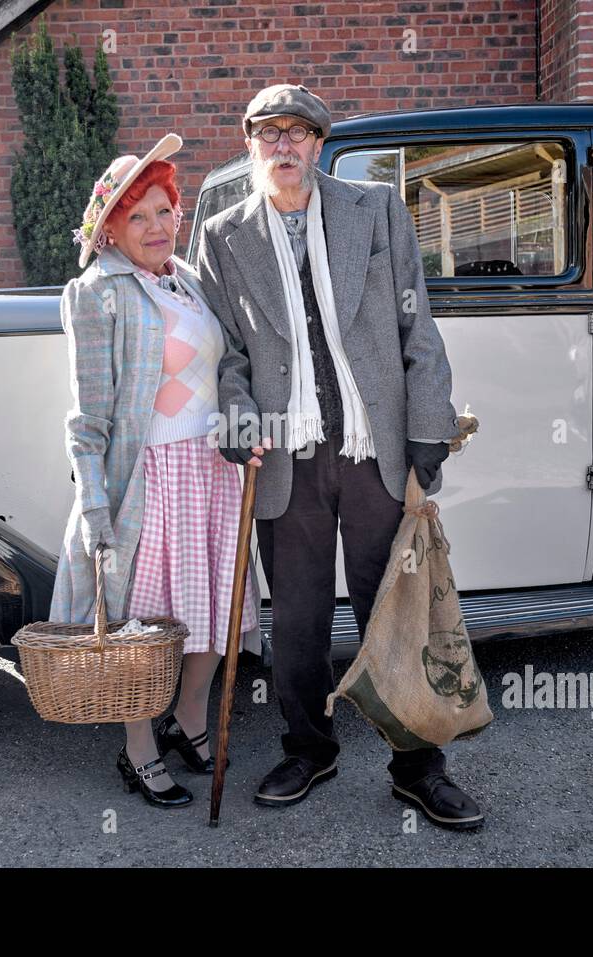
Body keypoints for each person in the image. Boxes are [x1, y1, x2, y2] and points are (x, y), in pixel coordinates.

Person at [194, 84, 484, 829]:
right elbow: (222, 349)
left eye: (299, 132)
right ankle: (308, 747)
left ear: (320, 144)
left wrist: (429, 427)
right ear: (250, 142)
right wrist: (234, 412)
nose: (284, 146)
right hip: (287, 454)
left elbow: (418, 324)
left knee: (397, 612)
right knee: (296, 618)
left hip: (374, 449)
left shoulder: (375, 209)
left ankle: (419, 766)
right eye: (269, 133)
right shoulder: (224, 234)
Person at [49, 133, 259, 809]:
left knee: (216, 618)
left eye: (164, 210)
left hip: (213, 470)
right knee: (142, 630)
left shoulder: (190, 280)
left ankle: (190, 720)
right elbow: (87, 416)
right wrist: (94, 503)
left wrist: (241, 421)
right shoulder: (95, 292)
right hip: (150, 479)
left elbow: (228, 366)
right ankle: (138, 747)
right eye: (137, 215)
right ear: (111, 228)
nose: (156, 226)